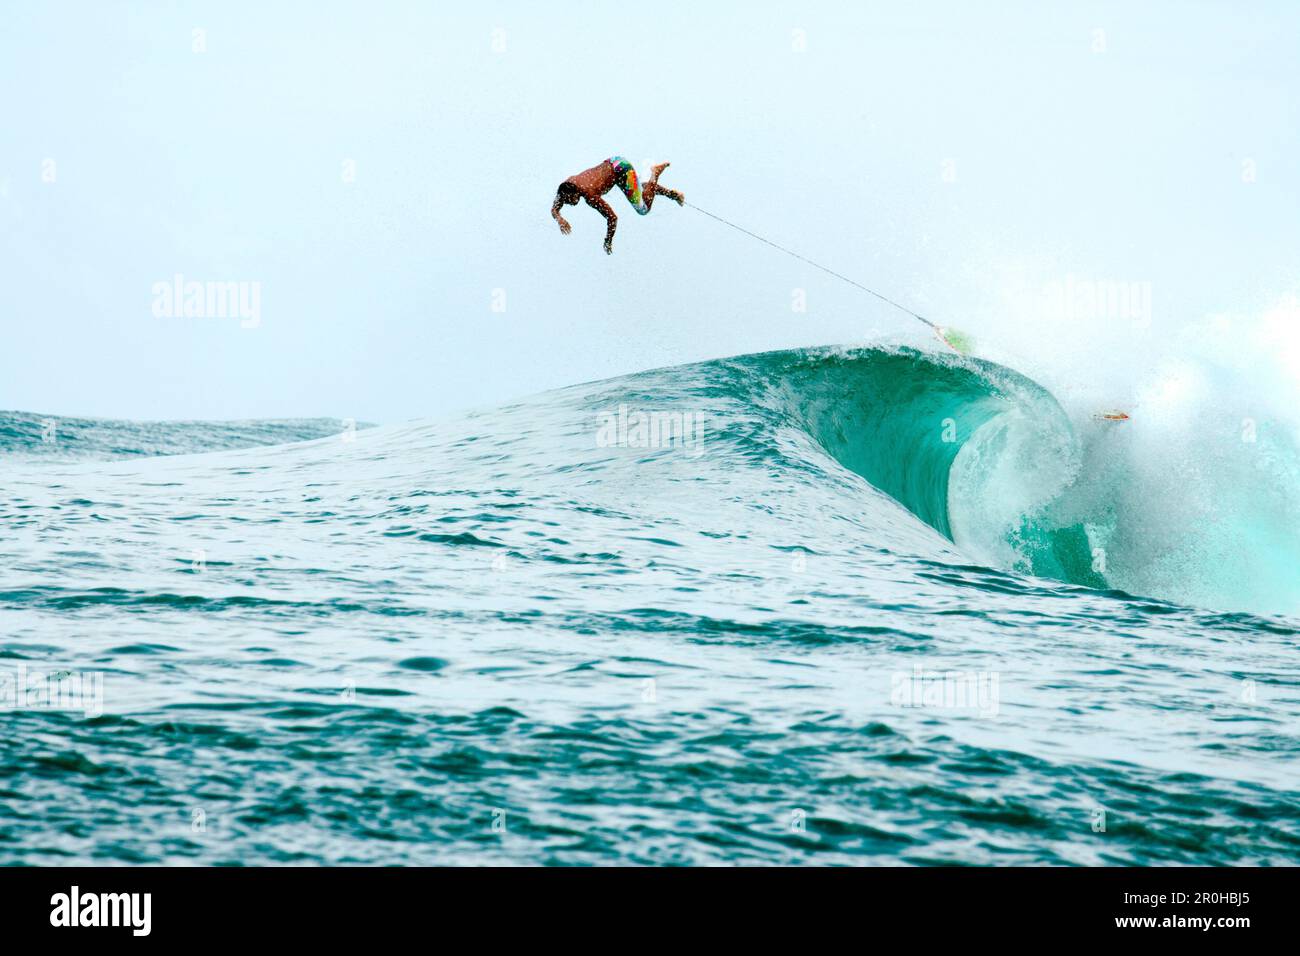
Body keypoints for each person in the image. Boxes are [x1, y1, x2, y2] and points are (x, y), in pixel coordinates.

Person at [552, 158, 684, 254]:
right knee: (637, 190)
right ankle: (672, 195)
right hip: (614, 162)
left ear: (575, 192)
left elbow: (612, 218)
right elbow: (554, 209)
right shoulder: (566, 185)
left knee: (643, 209)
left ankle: (655, 173)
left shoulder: (589, 195)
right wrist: (560, 219)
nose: (569, 203)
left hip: (621, 170)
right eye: (566, 201)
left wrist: (608, 241)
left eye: (570, 200)